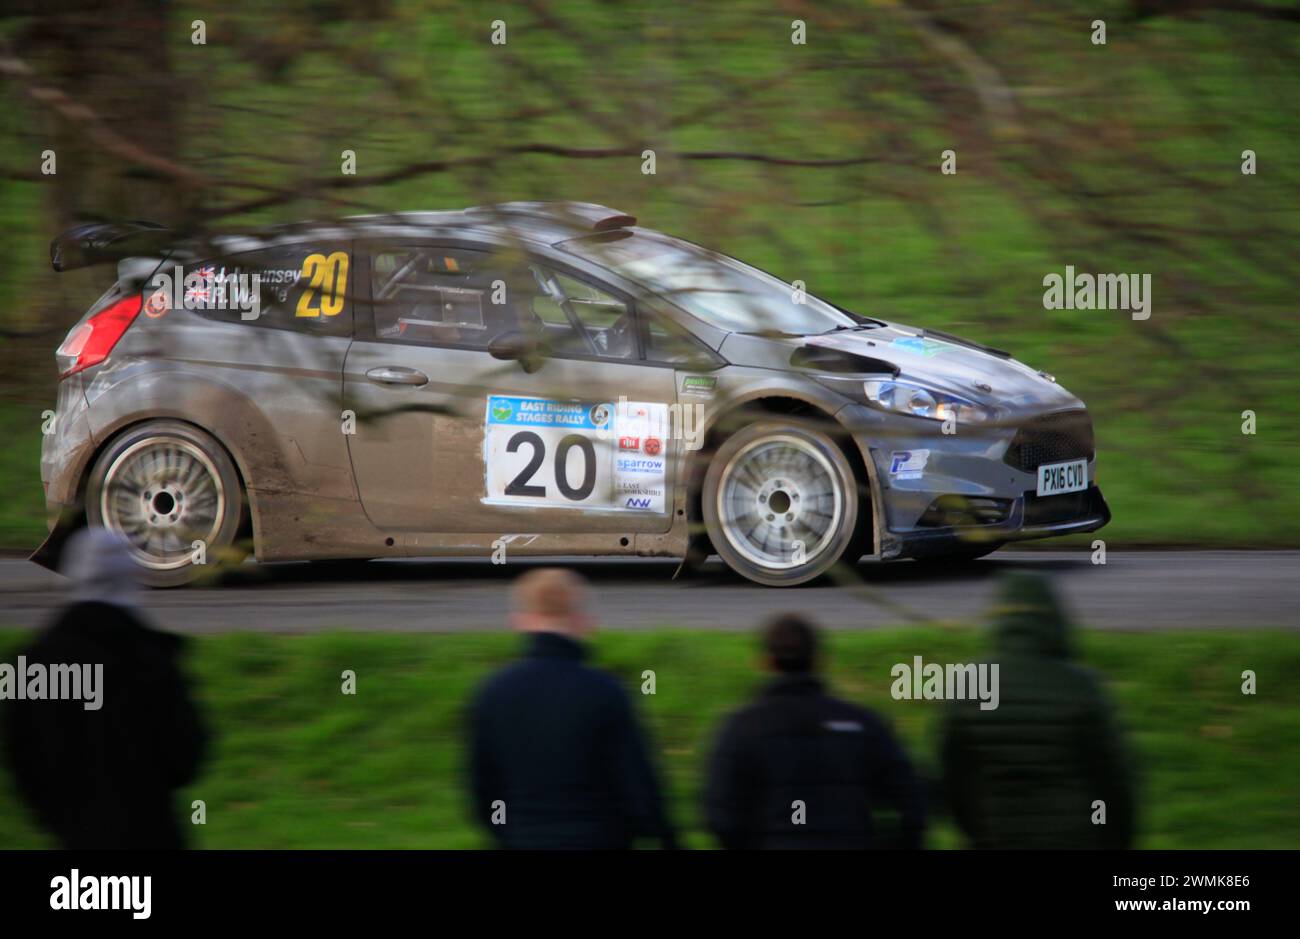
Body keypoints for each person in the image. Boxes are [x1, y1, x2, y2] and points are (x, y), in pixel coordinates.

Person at [2, 527, 209, 849]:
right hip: (151, 837)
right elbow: (186, 756)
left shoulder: (31, 664)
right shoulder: (147, 657)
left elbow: (21, 757)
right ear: (129, 578)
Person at [467, 567, 676, 849]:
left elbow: (485, 792)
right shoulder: (605, 691)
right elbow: (640, 789)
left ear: (519, 622)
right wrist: (665, 837)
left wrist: (511, 834)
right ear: (584, 622)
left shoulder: (492, 693)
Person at [939, 571, 1136, 849]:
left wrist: (975, 833)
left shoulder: (970, 684)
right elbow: (1113, 781)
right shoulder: (1080, 685)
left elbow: (954, 781)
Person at [704, 613, 925, 849]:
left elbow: (721, 816)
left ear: (765, 662)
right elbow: (911, 799)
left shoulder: (741, 728)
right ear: (819, 660)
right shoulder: (862, 723)